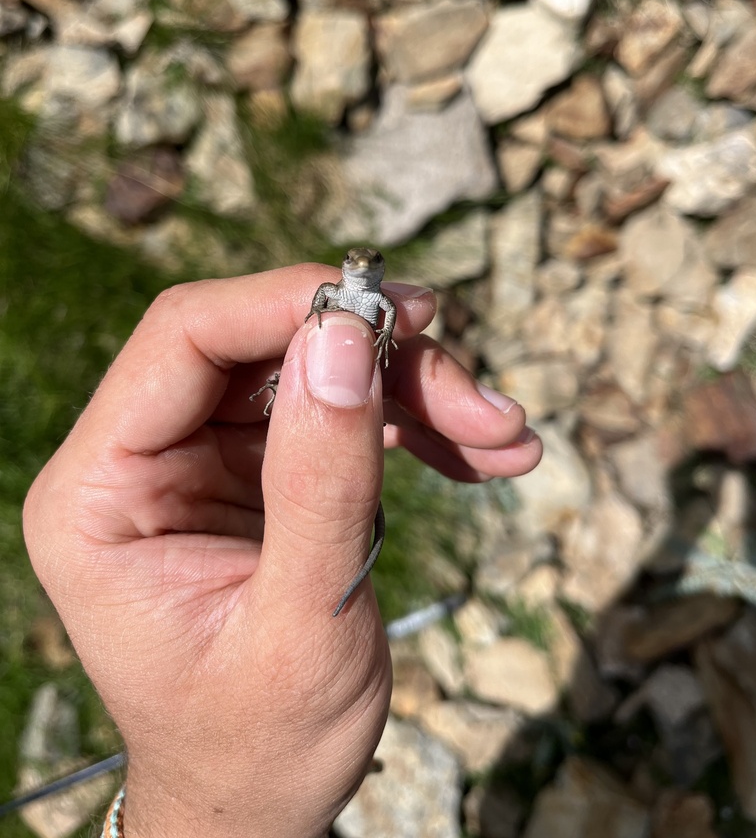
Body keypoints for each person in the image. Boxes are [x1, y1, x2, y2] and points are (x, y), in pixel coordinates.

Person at [23, 263, 542, 838]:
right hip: (337, 367)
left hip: (342, 365)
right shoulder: (340, 293)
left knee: (346, 463)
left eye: (368, 268)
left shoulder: (373, 304)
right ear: (350, 272)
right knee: (318, 414)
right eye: (355, 266)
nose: (360, 271)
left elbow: (387, 313)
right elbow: (326, 298)